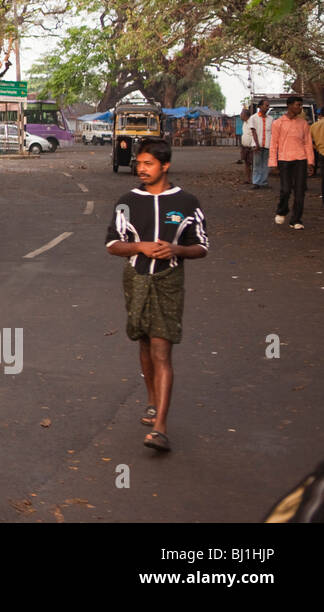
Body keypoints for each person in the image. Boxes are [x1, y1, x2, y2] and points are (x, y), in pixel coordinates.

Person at [105, 138, 208, 453]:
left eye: (148, 163)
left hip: (168, 281)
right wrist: (139, 247)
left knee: (162, 349)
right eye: (139, 163)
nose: (141, 169)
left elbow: (201, 246)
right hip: (135, 279)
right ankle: (151, 399)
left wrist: (176, 249)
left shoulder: (187, 202)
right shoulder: (127, 201)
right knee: (144, 341)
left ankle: (161, 426)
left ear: (166, 165)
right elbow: (112, 244)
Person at [269, 95, 313, 229]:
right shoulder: (278, 123)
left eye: (300, 105)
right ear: (289, 106)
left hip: (301, 160)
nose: (299, 108)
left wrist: (310, 162)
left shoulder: (303, 124)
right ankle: (282, 210)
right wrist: (273, 163)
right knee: (286, 190)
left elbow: (308, 144)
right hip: (284, 160)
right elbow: (274, 144)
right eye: (297, 105)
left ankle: (296, 220)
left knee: (300, 191)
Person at [247, 99, 273, 188]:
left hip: (267, 144)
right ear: (260, 106)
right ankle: (256, 182)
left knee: (265, 164)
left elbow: (272, 132)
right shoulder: (253, 118)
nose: (267, 107)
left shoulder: (271, 119)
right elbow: (253, 131)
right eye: (266, 105)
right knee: (257, 164)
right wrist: (257, 144)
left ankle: (263, 182)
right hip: (257, 145)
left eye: (268, 105)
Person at [311, 111, 324, 205]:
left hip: (321, 153)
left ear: (320, 115)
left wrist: (317, 148)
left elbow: (308, 141)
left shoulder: (314, 126)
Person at [237, 107, 253, 182]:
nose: (240, 115)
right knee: (247, 163)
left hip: (251, 147)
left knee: (253, 163)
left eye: (241, 114)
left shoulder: (251, 122)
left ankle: (255, 180)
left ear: (245, 115)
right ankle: (248, 179)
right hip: (245, 146)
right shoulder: (244, 123)